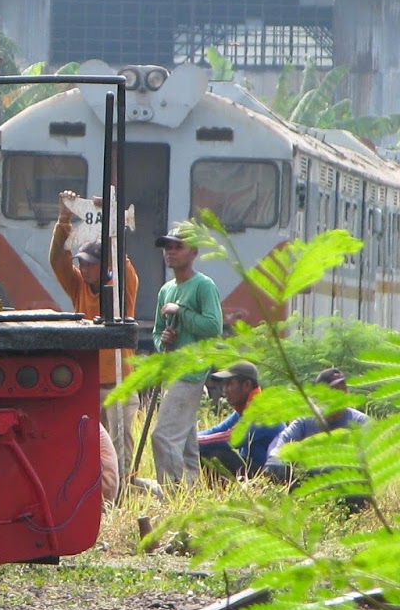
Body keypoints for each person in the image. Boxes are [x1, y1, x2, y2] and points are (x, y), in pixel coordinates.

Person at [51, 190, 140, 481]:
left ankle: (123, 498)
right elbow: (58, 261)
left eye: (89, 263)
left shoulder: (120, 290)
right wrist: (64, 218)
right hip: (88, 385)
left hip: (119, 384)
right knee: (90, 450)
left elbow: (123, 265)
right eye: (82, 262)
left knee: (120, 451)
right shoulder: (78, 288)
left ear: (105, 266)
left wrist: (110, 221)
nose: (82, 267)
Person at [150, 222, 223, 484]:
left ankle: (172, 494)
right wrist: (163, 340)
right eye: (167, 247)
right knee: (187, 444)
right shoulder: (166, 290)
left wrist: (181, 312)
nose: (170, 251)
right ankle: (190, 491)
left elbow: (214, 327)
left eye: (177, 246)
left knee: (163, 436)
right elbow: (158, 334)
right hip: (172, 372)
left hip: (191, 373)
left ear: (193, 252)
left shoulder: (203, 286)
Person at [264, 367, 370, 485]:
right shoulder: (306, 421)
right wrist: (275, 457)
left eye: (343, 389)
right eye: (334, 390)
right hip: (309, 482)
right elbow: (282, 439)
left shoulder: (361, 422)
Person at [196, 360, 283, 479]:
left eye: (230, 384)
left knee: (216, 455)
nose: (225, 390)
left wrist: (189, 442)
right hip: (251, 468)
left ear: (247, 385)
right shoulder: (245, 408)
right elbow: (216, 431)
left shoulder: (264, 411)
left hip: (267, 476)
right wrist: (188, 438)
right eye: (224, 385)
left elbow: (230, 438)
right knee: (203, 451)